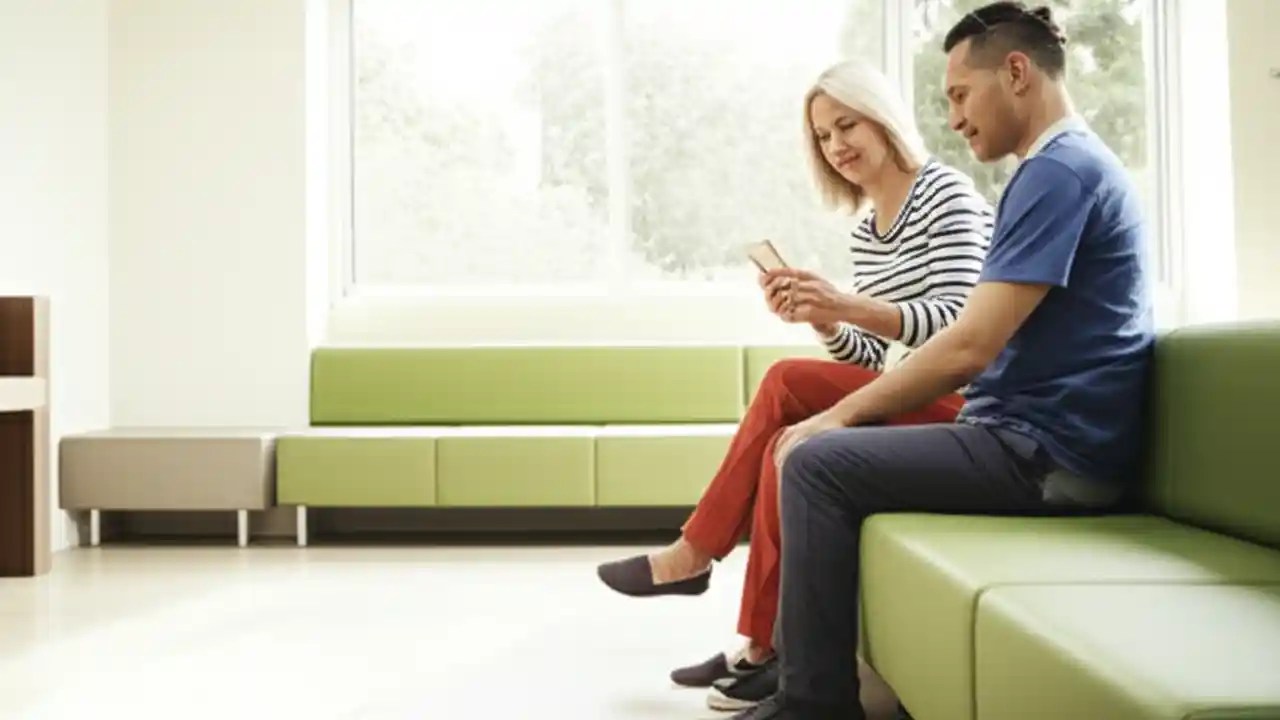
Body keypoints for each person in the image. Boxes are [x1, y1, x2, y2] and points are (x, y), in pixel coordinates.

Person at [730, 3, 1158, 719]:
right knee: (818, 444)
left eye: (960, 94)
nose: (954, 118)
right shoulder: (1056, 169)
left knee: (813, 460)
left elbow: (967, 346)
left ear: (1016, 73)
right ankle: (789, 664)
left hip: (1046, 456)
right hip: (1027, 438)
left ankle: (813, 702)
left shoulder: (1059, 173)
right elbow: (973, 337)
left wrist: (834, 417)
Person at [595, 59, 995, 711]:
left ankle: (694, 557)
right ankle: (758, 645)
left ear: (884, 119)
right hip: (907, 390)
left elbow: (958, 331)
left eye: (846, 125)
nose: (836, 146)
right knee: (787, 432)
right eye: (822, 137)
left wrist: (842, 304)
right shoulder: (869, 229)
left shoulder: (943, 194)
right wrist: (823, 319)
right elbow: (875, 357)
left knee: (784, 387)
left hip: (965, 404)